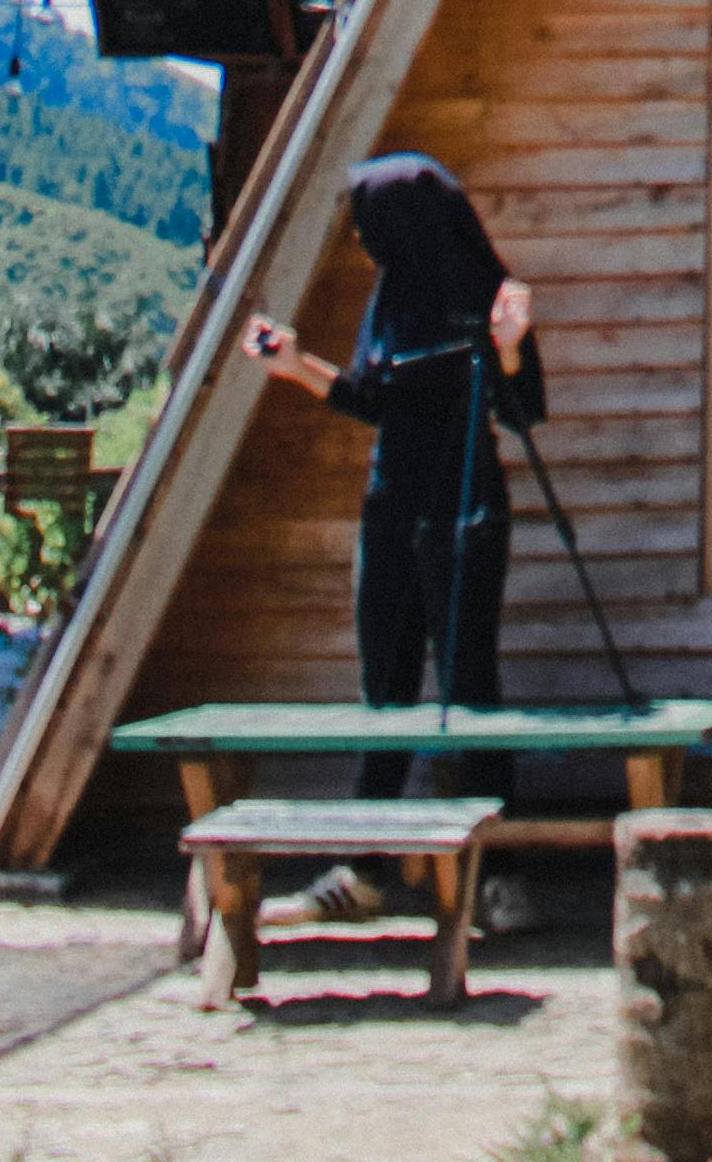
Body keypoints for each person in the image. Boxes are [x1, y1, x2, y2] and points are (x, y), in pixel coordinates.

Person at [244, 150, 546, 924]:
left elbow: (518, 411)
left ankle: (497, 875)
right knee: (386, 691)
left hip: (466, 509)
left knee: (469, 689)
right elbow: (372, 398)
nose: (362, 241)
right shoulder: (391, 298)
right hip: (392, 510)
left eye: (370, 224)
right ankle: (364, 871)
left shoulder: (484, 289)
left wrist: (507, 344)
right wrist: (293, 365)